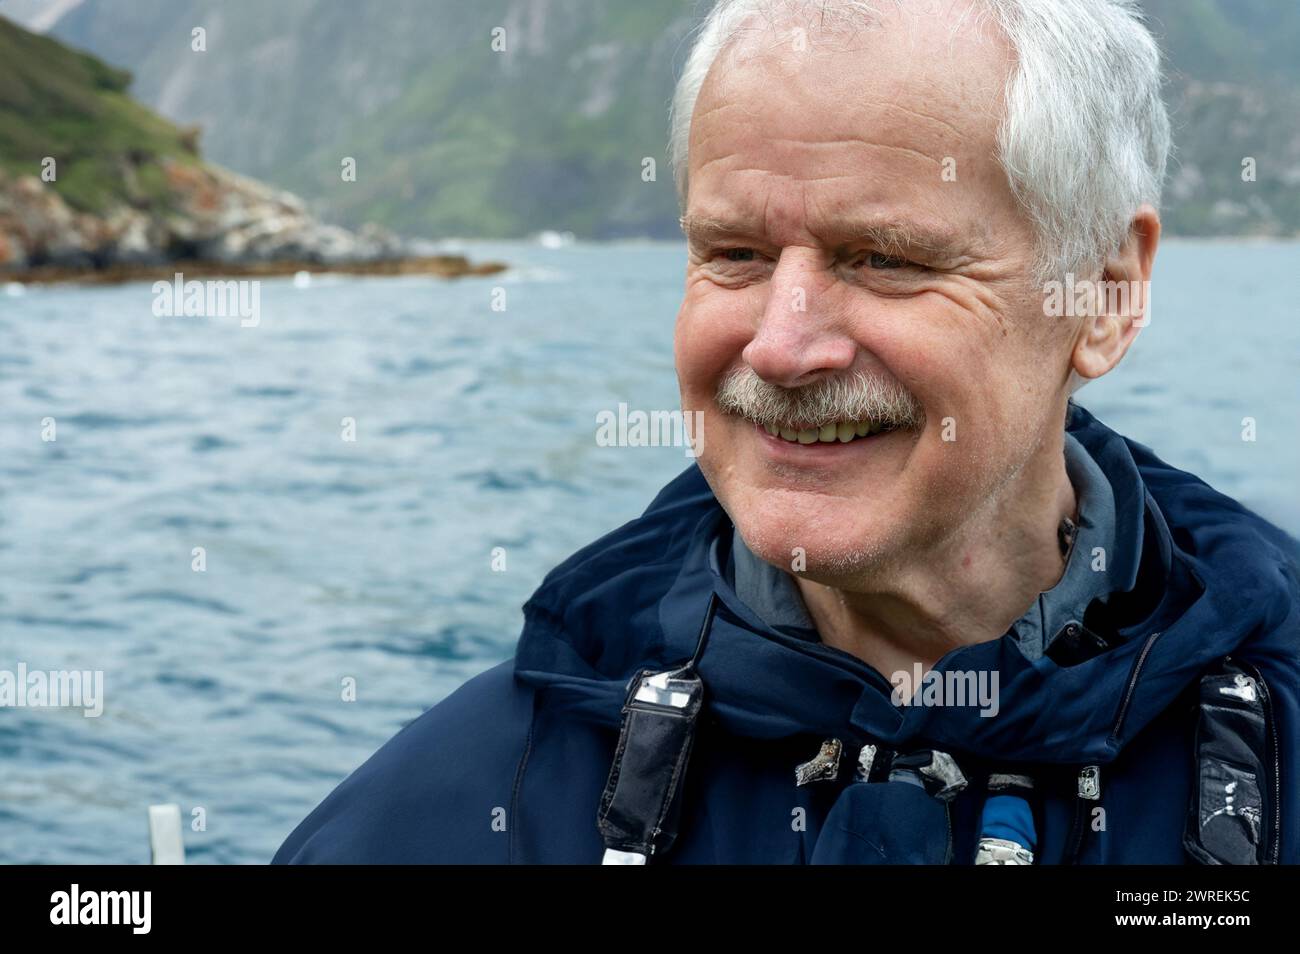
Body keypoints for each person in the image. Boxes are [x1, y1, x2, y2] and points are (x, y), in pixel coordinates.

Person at [274, 0, 1299, 864]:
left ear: (1107, 293)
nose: (779, 346)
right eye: (733, 252)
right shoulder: (460, 807)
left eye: (884, 257)